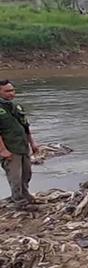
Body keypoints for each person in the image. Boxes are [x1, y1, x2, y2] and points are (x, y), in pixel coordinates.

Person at [0, 80, 39, 208]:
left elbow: (25, 126)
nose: (11, 93)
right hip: (10, 148)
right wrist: (3, 150)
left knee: (26, 174)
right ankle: (19, 201)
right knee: (15, 176)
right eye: (7, 91)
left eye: (12, 90)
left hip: (22, 146)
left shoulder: (17, 107)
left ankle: (26, 195)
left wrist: (32, 143)